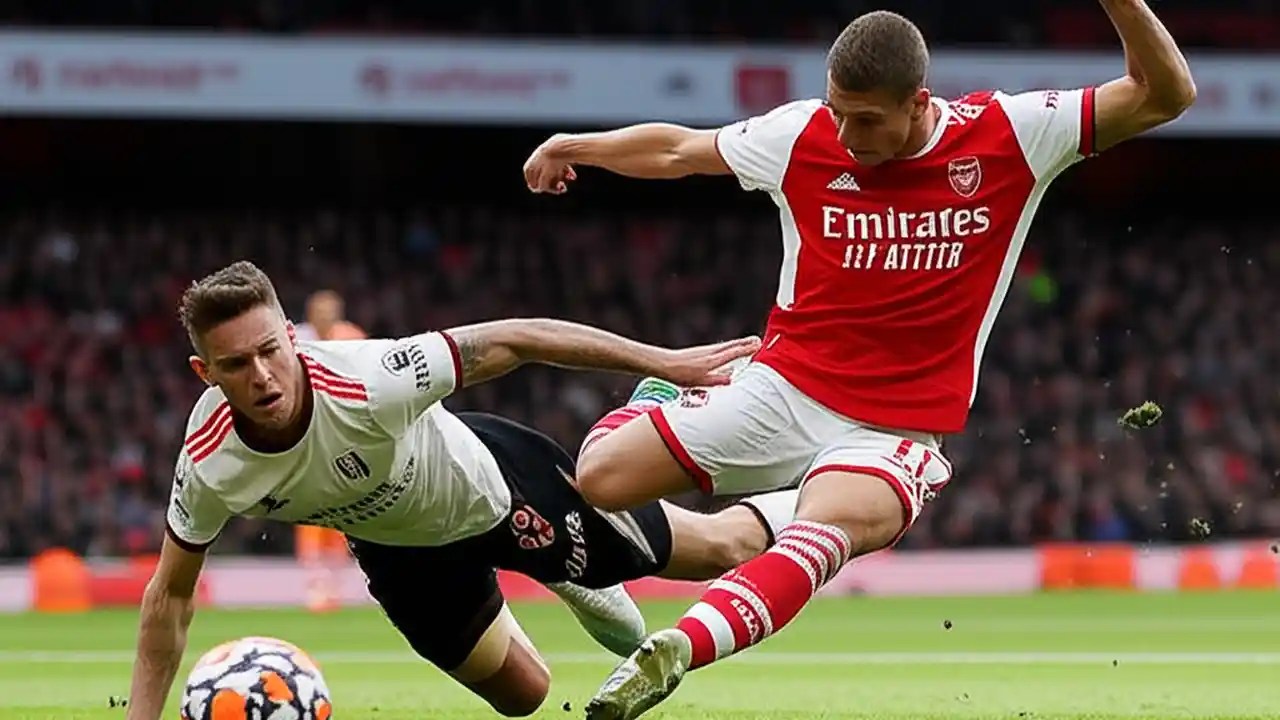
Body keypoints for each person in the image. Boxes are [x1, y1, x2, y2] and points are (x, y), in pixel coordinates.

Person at [522, 2, 1195, 718]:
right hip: (781, 389)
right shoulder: (802, 135)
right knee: (599, 479)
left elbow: (1165, 94)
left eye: (867, 119)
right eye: (839, 111)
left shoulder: (1012, 135)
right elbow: (680, 151)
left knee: (826, 534)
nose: (846, 134)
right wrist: (576, 145)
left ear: (919, 103)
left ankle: (676, 651)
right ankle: (669, 401)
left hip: (890, 430)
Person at [125, 260, 800, 719]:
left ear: (293, 339)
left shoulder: (369, 378)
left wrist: (664, 361)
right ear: (203, 372)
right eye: (237, 364)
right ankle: (557, 574)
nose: (264, 376)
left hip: (500, 489)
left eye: (272, 350)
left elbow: (518, 338)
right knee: (525, 697)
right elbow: (171, 594)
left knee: (717, 550)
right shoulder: (210, 460)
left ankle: (819, 484)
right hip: (399, 552)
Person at [292, 289, 367, 612]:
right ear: (310, 313)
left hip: (342, 436)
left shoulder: (352, 338)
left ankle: (334, 587)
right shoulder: (293, 339)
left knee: (340, 514)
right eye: (320, 311)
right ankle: (315, 586)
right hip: (304, 437)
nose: (326, 317)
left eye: (331, 311)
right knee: (308, 512)